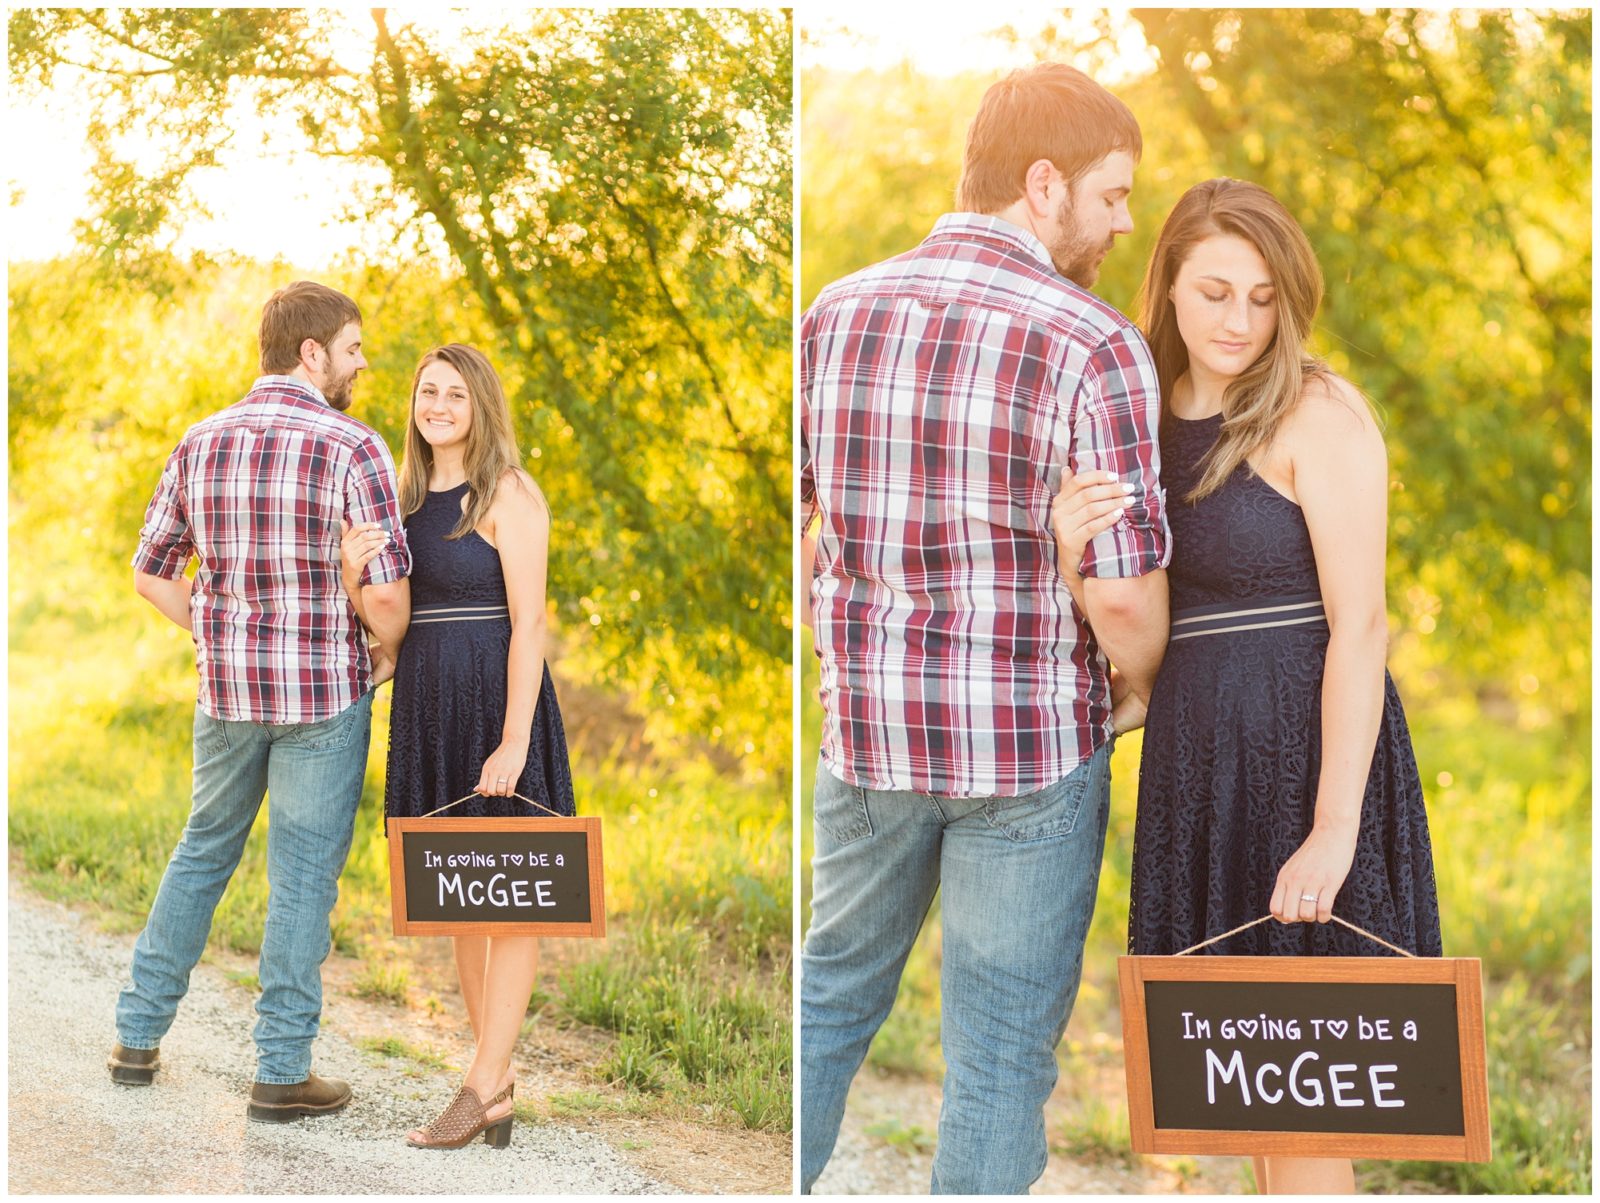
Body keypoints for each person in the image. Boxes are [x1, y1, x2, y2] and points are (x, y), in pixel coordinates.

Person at [799, 64, 1171, 1194]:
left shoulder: (831, 313)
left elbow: (809, 529)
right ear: (1044, 183)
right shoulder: (1094, 344)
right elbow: (1119, 595)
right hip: (1027, 759)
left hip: (869, 739)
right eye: (1110, 196)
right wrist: (1141, 682)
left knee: (826, 1009)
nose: (1121, 222)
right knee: (1000, 1060)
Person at [1051, 178, 1443, 1195]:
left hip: (1308, 756)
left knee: (1307, 1104)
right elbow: (1132, 629)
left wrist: (1332, 828)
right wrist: (1067, 556)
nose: (1239, 320)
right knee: (1246, 1090)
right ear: (1167, 285)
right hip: (1197, 764)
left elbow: (1361, 627)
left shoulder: (1316, 410)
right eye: (1215, 291)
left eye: (1263, 298)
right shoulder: (1130, 407)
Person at [111, 281, 412, 1121]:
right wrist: (382, 650)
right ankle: (281, 1070)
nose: (360, 364)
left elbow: (150, 573)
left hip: (228, 691)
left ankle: (136, 1036)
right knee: (304, 876)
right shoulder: (354, 446)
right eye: (352, 348)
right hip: (323, 694)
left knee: (202, 850)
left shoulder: (200, 441)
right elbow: (386, 597)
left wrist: (213, 633)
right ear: (312, 353)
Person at [341, 343, 574, 1150]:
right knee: (460, 900)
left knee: (509, 900)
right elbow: (394, 625)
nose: (436, 405)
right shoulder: (406, 498)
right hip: (429, 702)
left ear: (480, 405)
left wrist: (514, 738)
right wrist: (351, 580)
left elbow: (531, 624)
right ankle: (495, 1081)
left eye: (453, 394)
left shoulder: (508, 493)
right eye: (425, 391)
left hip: (495, 698)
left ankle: (478, 1084)